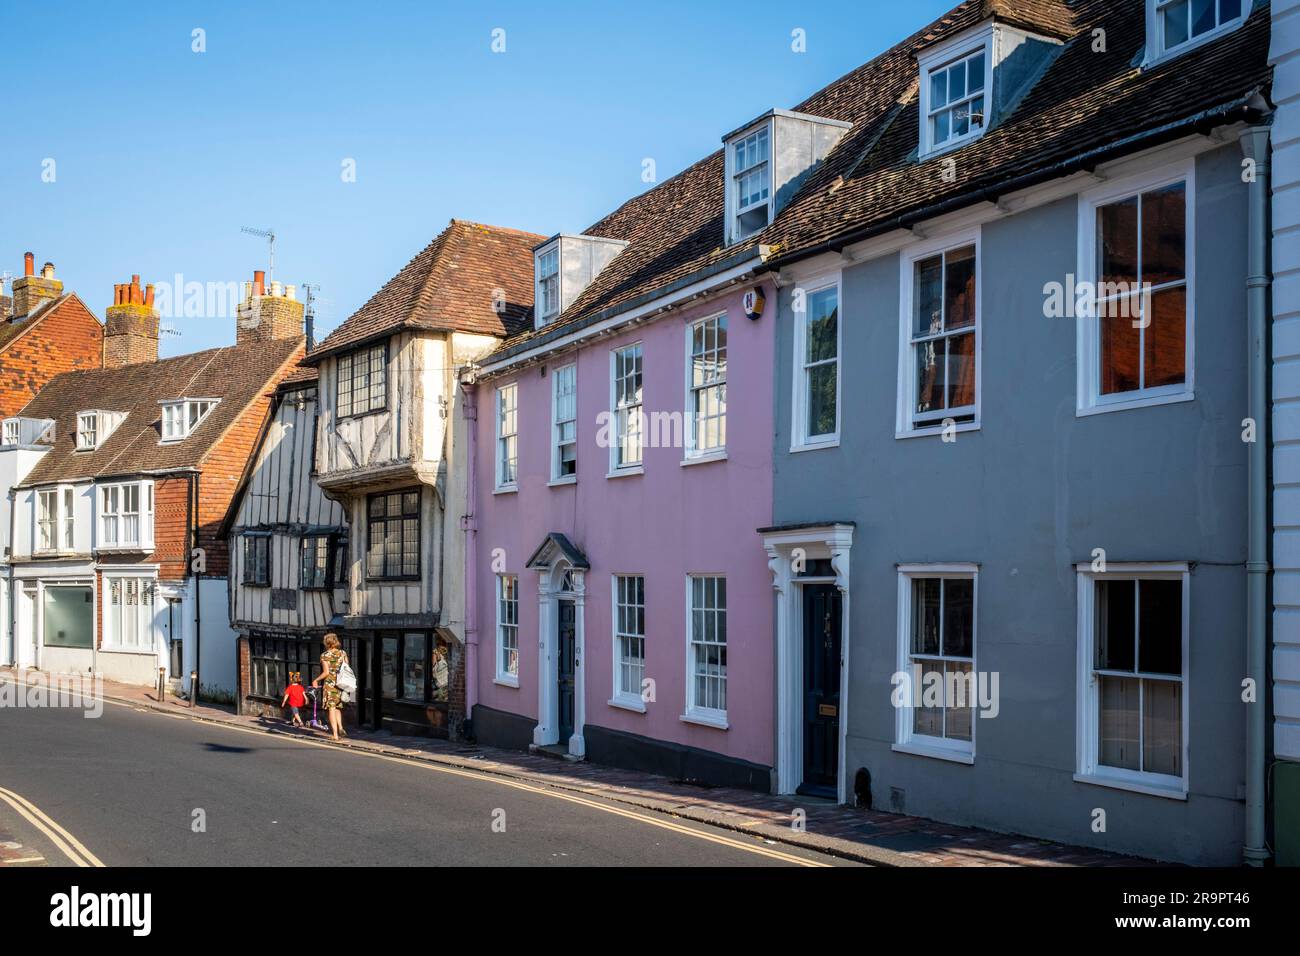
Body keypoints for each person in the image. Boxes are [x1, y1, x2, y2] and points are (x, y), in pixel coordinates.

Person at [312, 633, 349, 742]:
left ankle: (335, 735)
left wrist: (316, 680)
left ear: (327, 643)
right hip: (341, 684)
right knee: (338, 707)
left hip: (330, 685)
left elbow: (326, 672)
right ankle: (341, 727)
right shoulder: (343, 653)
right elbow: (347, 668)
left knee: (331, 709)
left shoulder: (325, 655)